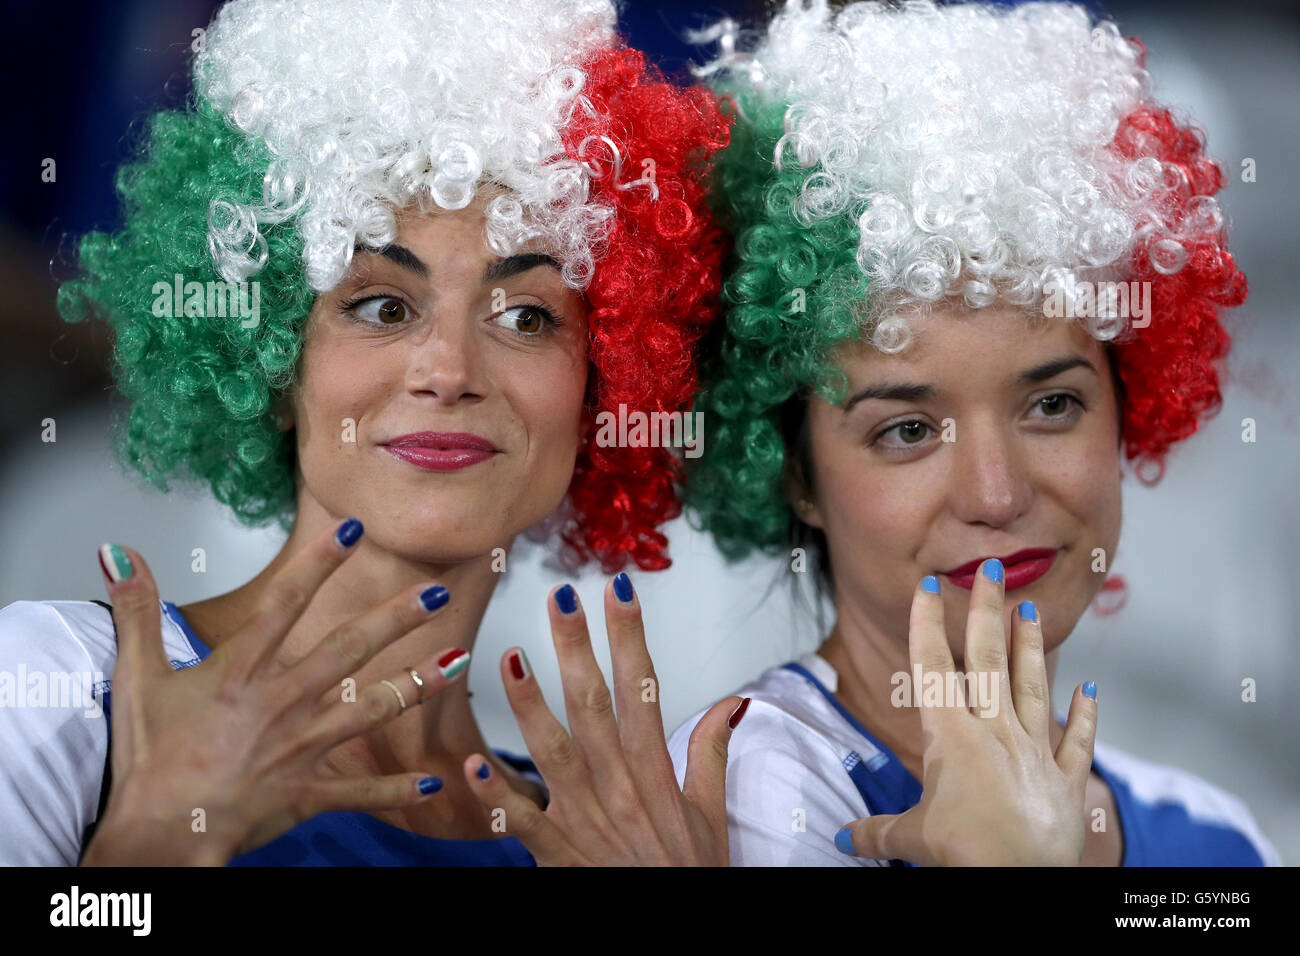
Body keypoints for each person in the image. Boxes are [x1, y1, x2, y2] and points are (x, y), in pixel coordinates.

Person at [1, 0, 742, 866]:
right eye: (383, 306)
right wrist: (151, 844)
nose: (450, 368)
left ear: (604, 386)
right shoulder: (61, 688)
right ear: (275, 364)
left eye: (530, 318)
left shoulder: (594, 836)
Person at [670, 0, 1281, 866]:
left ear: (1131, 397)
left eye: (1052, 406)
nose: (997, 493)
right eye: (909, 429)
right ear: (793, 471)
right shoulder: (745, 799)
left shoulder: (1212, 842)